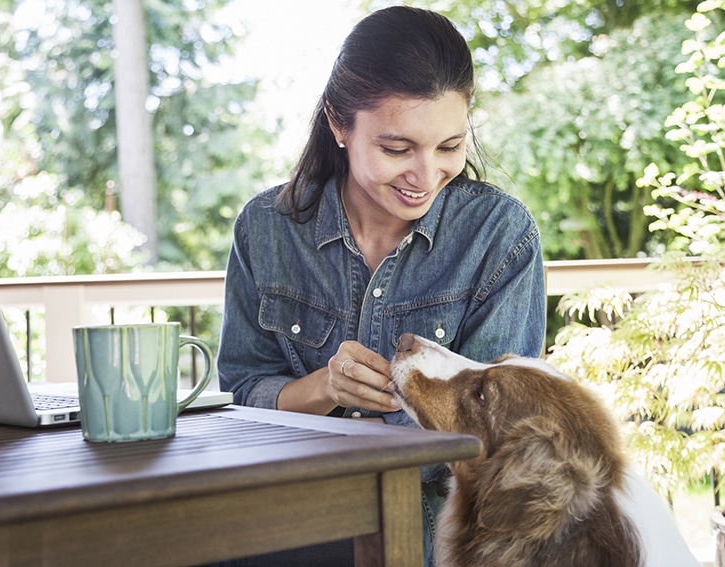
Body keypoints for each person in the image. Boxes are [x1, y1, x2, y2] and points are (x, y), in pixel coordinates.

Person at [217, 6, 546, 566]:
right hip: (284, 524)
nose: (425, 176)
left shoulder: (500, 236)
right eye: (397, 149)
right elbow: (244, 393)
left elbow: (497, 432)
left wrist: (356, 440)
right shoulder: (266, 228)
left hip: (426, 536)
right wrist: (326, 387)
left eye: (448, 146)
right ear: (338, 124)